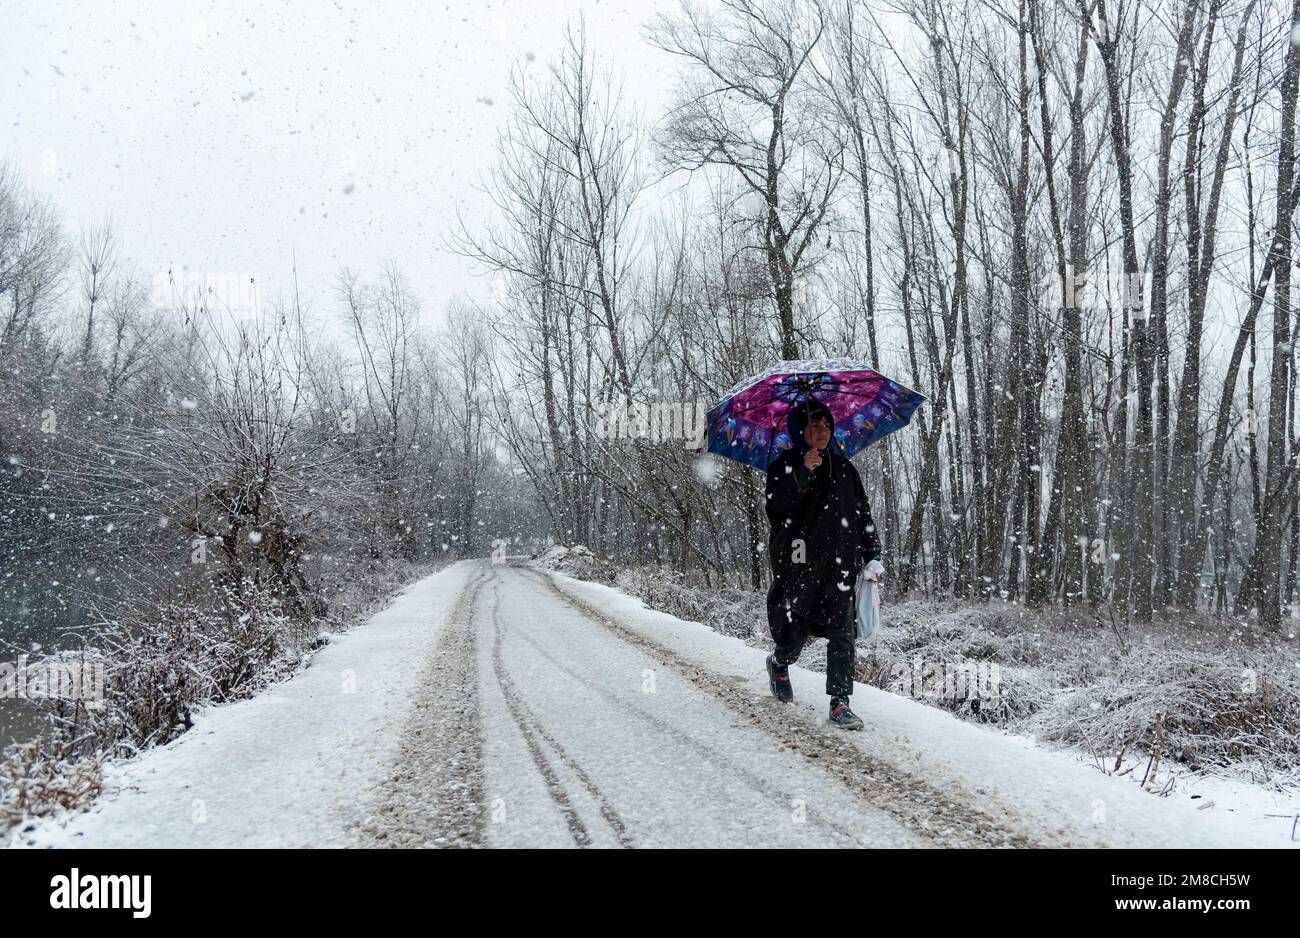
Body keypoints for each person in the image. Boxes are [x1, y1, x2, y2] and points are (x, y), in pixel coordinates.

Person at [763, 398, 882, 730]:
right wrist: (802, 472)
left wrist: (873, 553)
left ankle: (840, 703)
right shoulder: (784, 465)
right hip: (800, 560)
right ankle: (779, 662)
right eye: (814, 426)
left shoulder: (845, 469)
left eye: (826, 426)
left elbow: (862, 513)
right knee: (796, 630)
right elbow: (777, 510)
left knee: (842, 634)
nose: (822, 431)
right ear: (801, 432)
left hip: (841, 564)